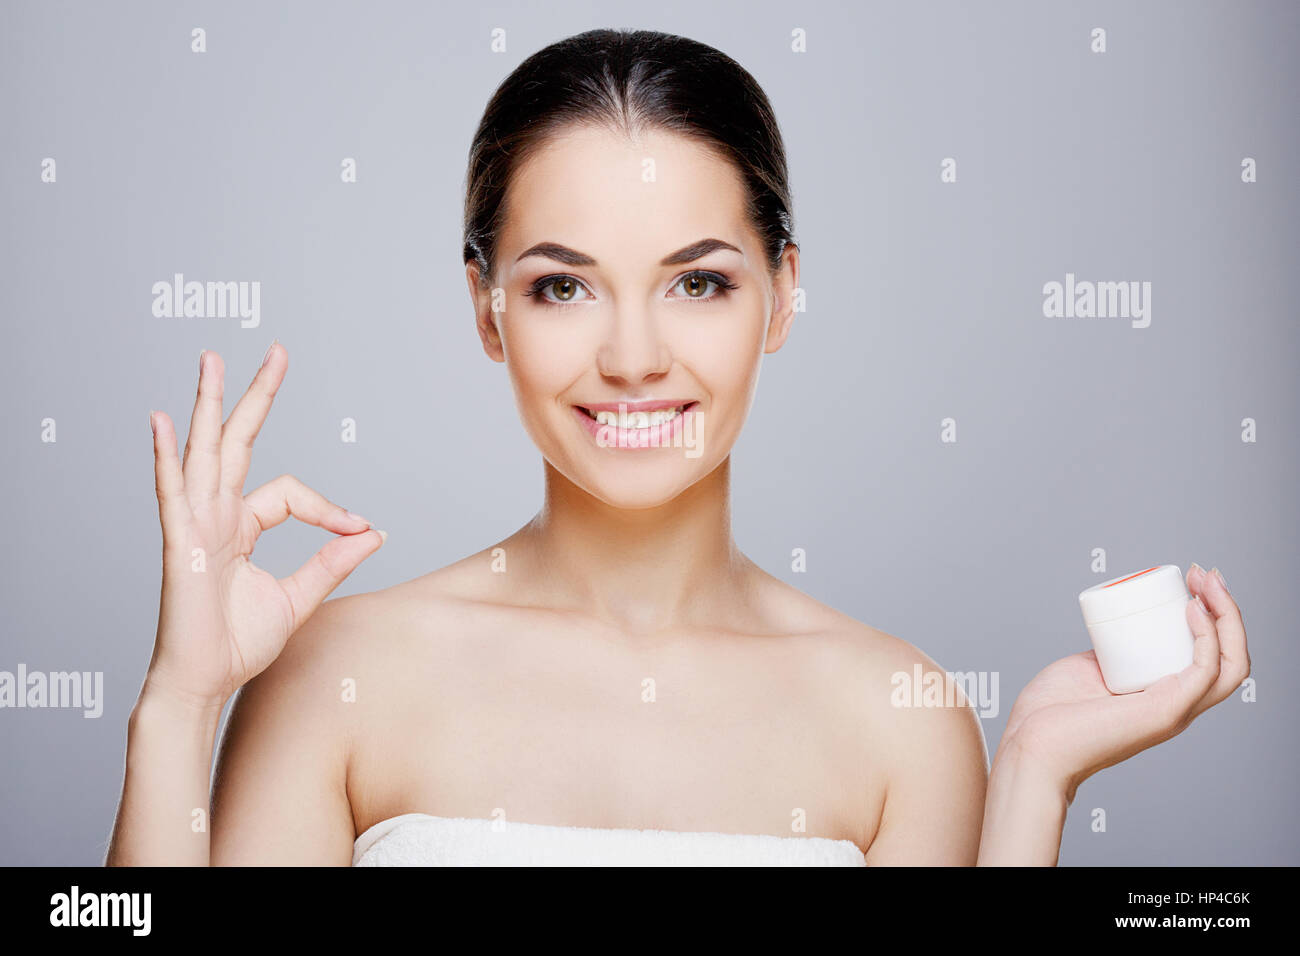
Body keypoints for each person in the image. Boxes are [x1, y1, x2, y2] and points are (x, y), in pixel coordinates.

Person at [107, 28, 1249, 866]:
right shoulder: (329, 677)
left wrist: (1034, 784)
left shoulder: (898, 712)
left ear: (783, 294)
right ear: (485, 307)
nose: (634, 355)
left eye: (698, 281)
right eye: (563, 286)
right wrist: (177, 701)